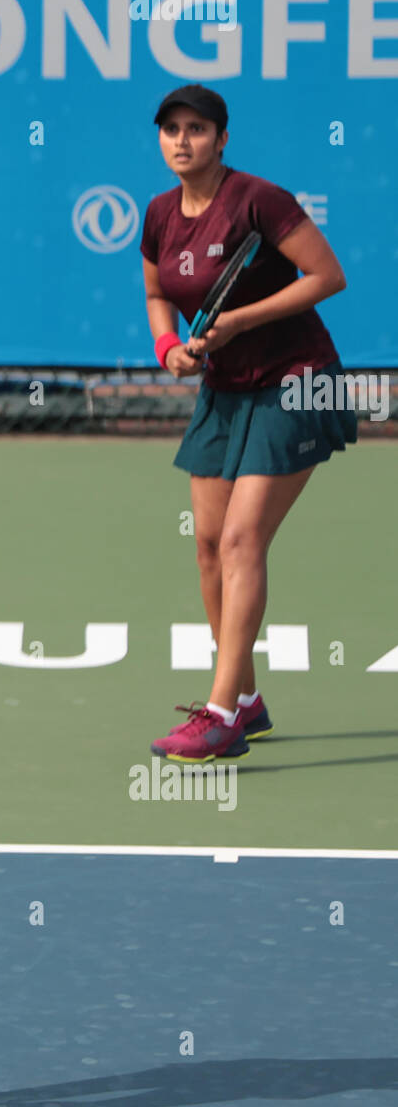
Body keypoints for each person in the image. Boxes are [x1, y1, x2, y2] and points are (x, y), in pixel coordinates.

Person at [141, 84, 353, 762]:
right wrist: (168, 348)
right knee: (206, 545)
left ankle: (220, 712)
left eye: (197, 129)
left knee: (239, 540)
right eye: (171, 128)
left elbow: (327, 276)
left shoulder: (260, 200)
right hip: (223, 389)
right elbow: (155, 293)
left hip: (297, 379)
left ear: (222, 138)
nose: (182, 140)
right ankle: (249, 700)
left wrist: (240, 321)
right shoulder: (158, 214)